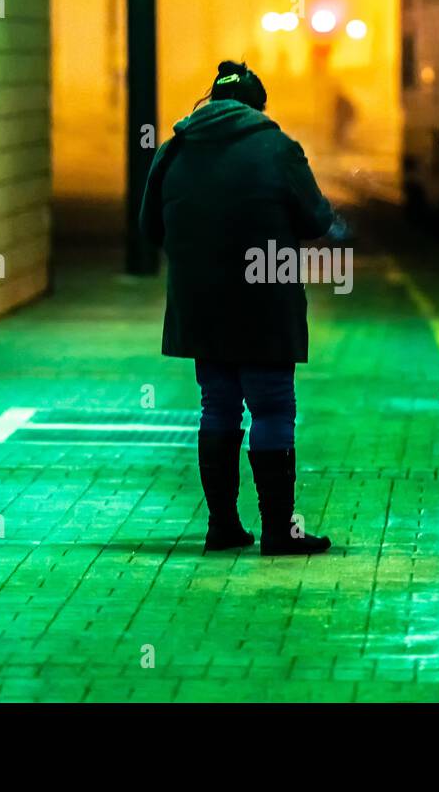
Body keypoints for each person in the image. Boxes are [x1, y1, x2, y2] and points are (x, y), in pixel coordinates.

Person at [139, 60, 334, 556]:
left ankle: (222, 526)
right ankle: (277, 531)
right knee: (271, 407)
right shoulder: (277, 148)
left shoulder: (174, 149)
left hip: (202, 305)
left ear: (212, 101)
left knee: (217, 407)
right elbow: (316, 220)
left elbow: (148, 226)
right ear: (256, 105)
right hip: (266, 301)